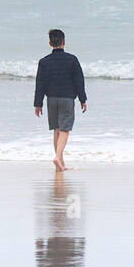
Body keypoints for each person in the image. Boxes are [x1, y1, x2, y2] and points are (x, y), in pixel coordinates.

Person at [33, 29, 87, 171]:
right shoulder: (72, 60)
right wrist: (83, 99)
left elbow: (40, 84)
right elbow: (79, 82)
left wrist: (38, 104)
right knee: (65, 129)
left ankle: (60, 161)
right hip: (67, 98)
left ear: (50, 43)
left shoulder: (44, 62)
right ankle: (58, 156)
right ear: (64, 42)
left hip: (51, 99)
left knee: (56, 129)